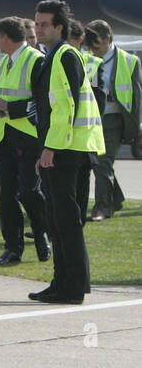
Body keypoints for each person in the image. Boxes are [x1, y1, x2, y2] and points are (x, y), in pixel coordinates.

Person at [28, 0, 103, 305]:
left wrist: (50, 149)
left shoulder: (64, 55)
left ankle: (73, 287)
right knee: (57, 219)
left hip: (69, 150)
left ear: (59, 27)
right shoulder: (51, 56)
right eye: (36, 23)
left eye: (44, 24)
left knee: (67, 221)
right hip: (62, 148)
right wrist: (44, 150)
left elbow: (66, 107)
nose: (38, 28)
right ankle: (61, 282)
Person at [0, 17, 51, 265]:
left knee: (29, 192)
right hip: (4, 137)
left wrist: (9, 107)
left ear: (4, 37)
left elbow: (41, 103)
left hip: (28, 138)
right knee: (7, 196)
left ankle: (43, 232)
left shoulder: (35, 60)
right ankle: (12, 248)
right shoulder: (7, 61)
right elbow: (4, 94)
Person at [86, 19, 139, 221]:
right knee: (97, 163)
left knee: (103, 162)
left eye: (96, 42)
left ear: (108, 39)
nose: (93, 48)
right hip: (93, 118)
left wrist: (136, 128)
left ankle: (103, 207)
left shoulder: (129, 61)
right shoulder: (89, 60)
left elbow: (136, 98)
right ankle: (115, 198)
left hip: (115, 118)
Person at [68, 20, 98, 224]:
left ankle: (78, 222)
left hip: (84, 135)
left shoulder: (91, 64)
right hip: (66, 136)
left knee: (80, 185)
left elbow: (98, 100)